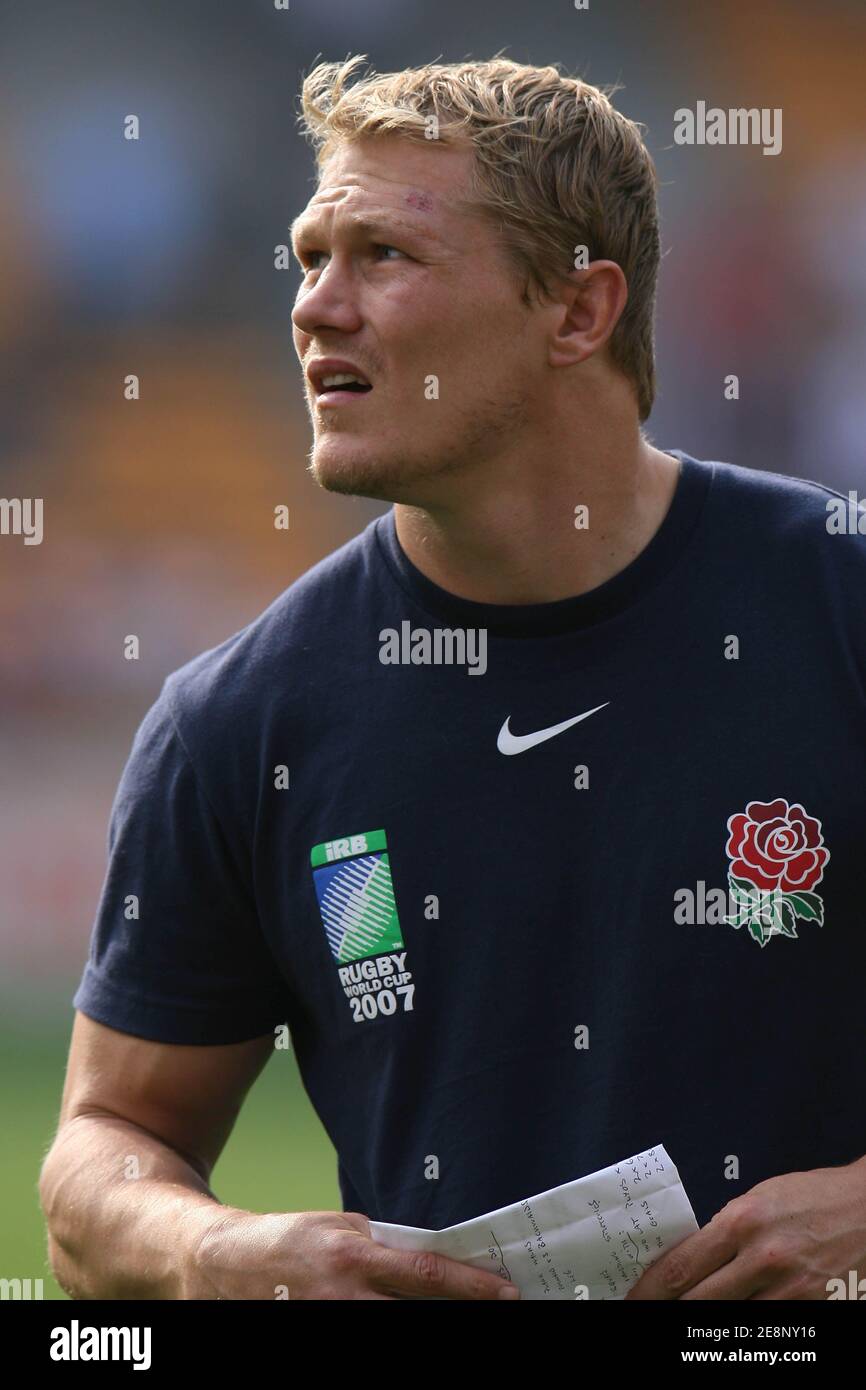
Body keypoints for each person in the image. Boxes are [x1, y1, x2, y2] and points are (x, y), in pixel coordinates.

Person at [41, 55, 866, 1301]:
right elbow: (105, 1153)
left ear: (578, 311)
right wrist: (224, 1253)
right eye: (309, 256)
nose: (315, 307)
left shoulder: (839, 604)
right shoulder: (239, 721)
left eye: (382, 255)